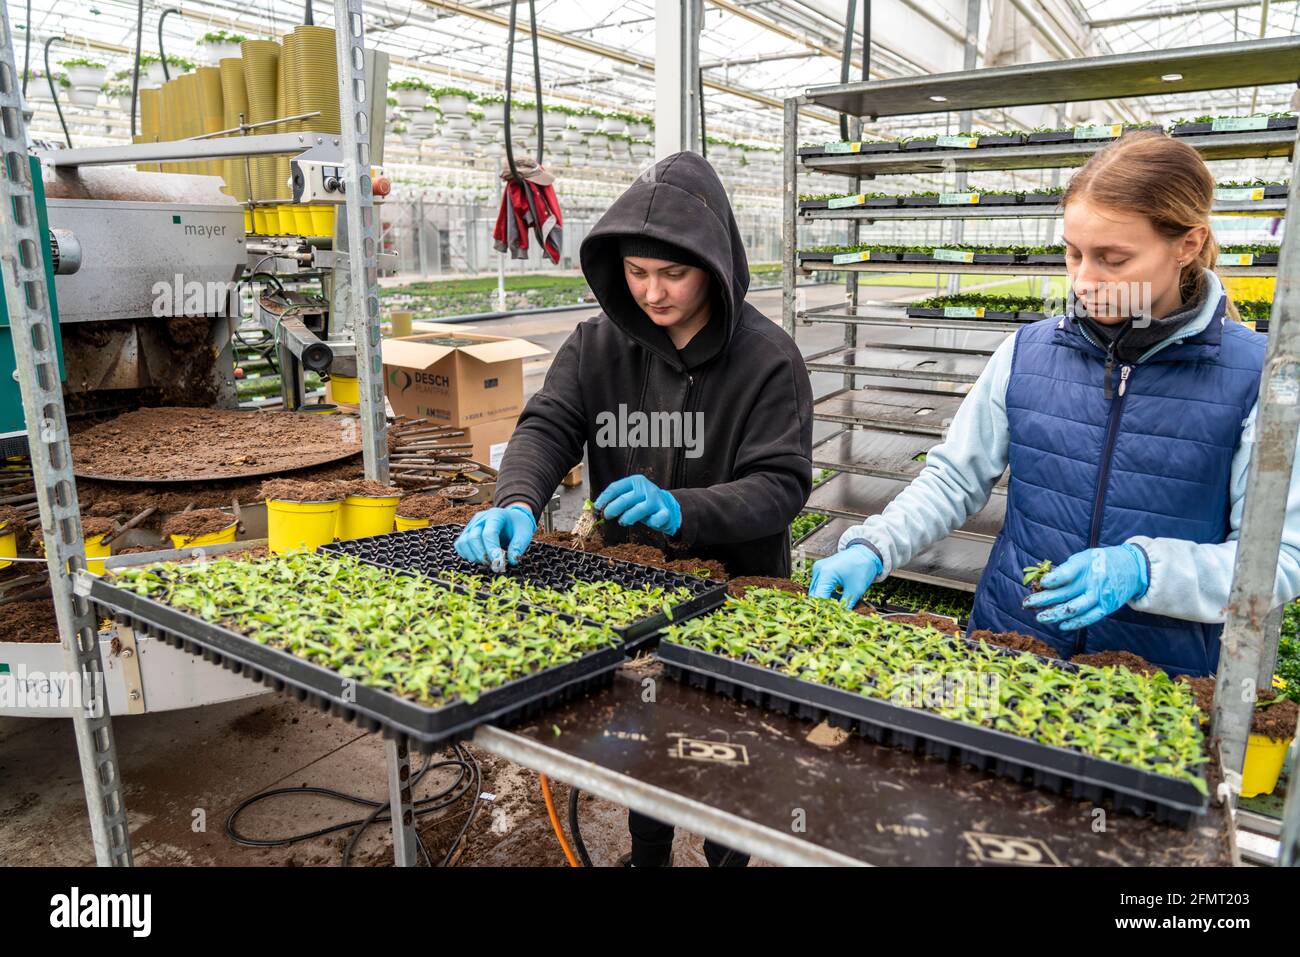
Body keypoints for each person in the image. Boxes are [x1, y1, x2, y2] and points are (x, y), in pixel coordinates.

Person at [810, 130, 1300, 678]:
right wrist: (875, 546)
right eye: (1073, 254)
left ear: (1187, 245)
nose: (1085, 281)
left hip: (1157, 680)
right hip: (1010, 646)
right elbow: (953, 481)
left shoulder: (1259, 380)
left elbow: (1280, 557)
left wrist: (1147, 569)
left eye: (1113, 259)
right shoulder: (1027, 351)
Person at [455, 150, 814, 864]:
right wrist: (519, 499)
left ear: (713, 263)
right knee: (644, 739)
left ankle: (725, 856)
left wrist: (683, 509)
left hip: (734, 592)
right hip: (626, 592)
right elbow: (548, 424)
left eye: (673, 273)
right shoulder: (597, 345)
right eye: (636, 272)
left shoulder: (769, 360)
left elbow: (781, 486)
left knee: (725, 752)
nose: (652, 292)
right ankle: (646, 855)